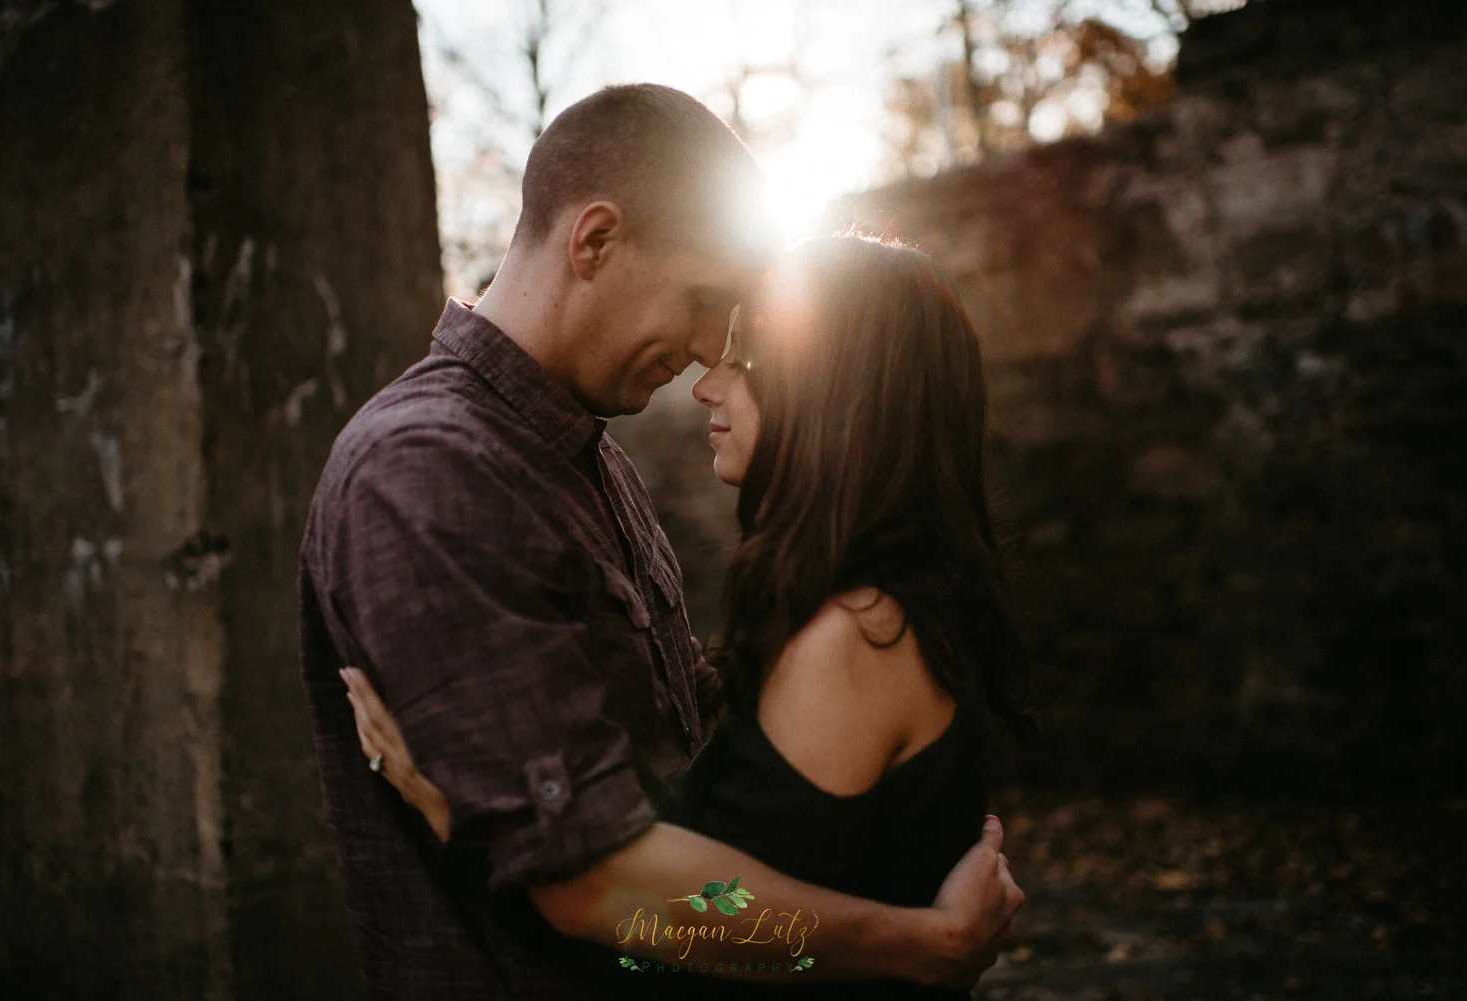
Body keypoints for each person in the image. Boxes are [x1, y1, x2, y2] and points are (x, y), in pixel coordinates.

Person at [300, 82, 1021, 1000]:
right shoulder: (430, 472)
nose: (701, 355)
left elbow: (687, 757)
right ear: (593, 240)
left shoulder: (584, 456)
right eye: (704, 300)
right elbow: (588, 881)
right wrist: (917, 940)